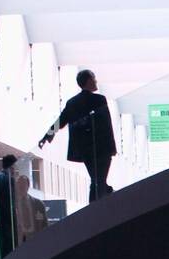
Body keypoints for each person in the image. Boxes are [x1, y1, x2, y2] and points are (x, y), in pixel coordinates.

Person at [39, 68, 116, 203]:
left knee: (97, 180)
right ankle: (97, 206)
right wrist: (111, 148)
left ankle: (102, 197)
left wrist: (47, 135)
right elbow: (106, 125)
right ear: (88, 81)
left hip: (84, 150)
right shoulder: (99, 100)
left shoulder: (72, 103)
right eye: (93, 78)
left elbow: (61, 121)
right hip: (102, 148)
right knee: (98, 180)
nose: (96, 81)